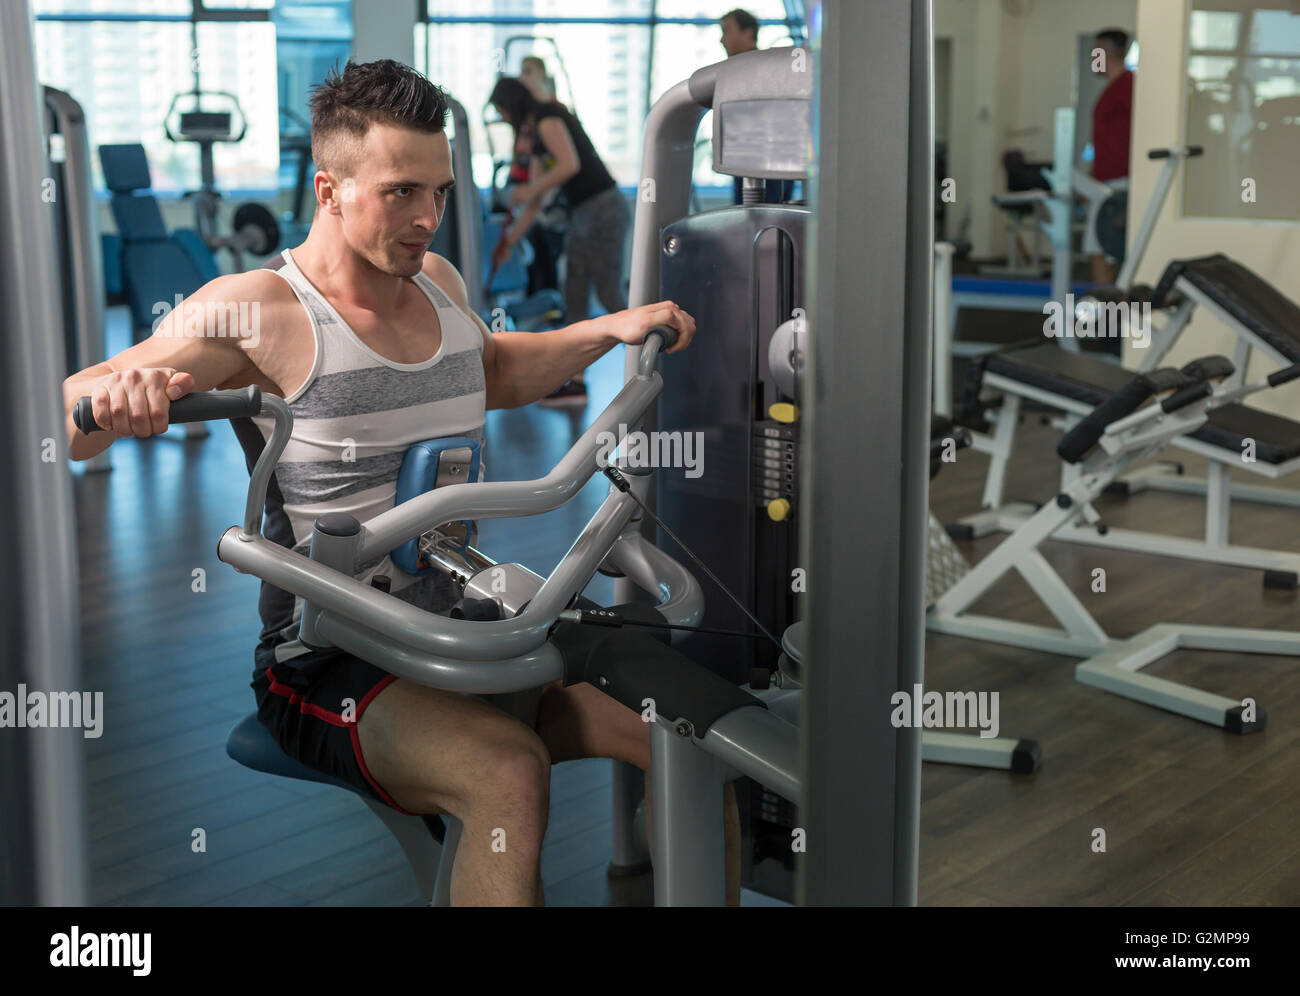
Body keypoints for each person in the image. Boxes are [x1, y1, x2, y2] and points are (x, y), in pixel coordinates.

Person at [60, 60, 723, 907]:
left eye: (439, 193)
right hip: (327, 661)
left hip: (462, 630)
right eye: (402, 193)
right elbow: (74, 412)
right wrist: (116, 393)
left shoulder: (438, 282)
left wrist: (605, 329)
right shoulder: (262, 308)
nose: (427, 218)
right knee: (508, 773)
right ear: (328, 189)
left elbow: (493, 369)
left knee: (692, 737)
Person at [490, 76, 630, 408]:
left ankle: (659, 358)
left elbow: (569, 164)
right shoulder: (534, 135)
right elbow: (535, 201)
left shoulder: (548, 117)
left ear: (511, 105)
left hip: (604, 208)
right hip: (583, 213)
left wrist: (529, 191)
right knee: (574, 293)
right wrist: (509, 241)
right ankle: (577, 382)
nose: (503, 119)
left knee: (608, 292)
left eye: (501, 111)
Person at [1087, 27, 1135, 284]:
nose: (1092, 59)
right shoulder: (1112, 88)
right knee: (1103, 252)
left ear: (1108, 52)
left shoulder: (1128, 85)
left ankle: (1107, 319)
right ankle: (1111, 317)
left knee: (1101, 252)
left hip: (1120, 184)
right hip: (1106, 183)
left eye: (1095, 52)